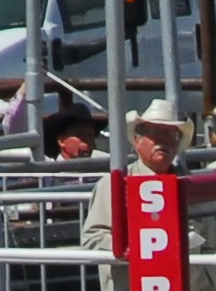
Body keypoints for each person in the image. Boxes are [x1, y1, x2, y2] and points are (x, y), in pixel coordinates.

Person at [76, 107, 186, 255]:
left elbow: (210, 239)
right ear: (137, 141)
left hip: (186, 275)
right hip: (131, 275)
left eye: (170, 134)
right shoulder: (114, 185)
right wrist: (134, 247)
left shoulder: (189, 184)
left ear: (177, 143)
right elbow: (93, 238)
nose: (163, 140)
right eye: (155, 134)